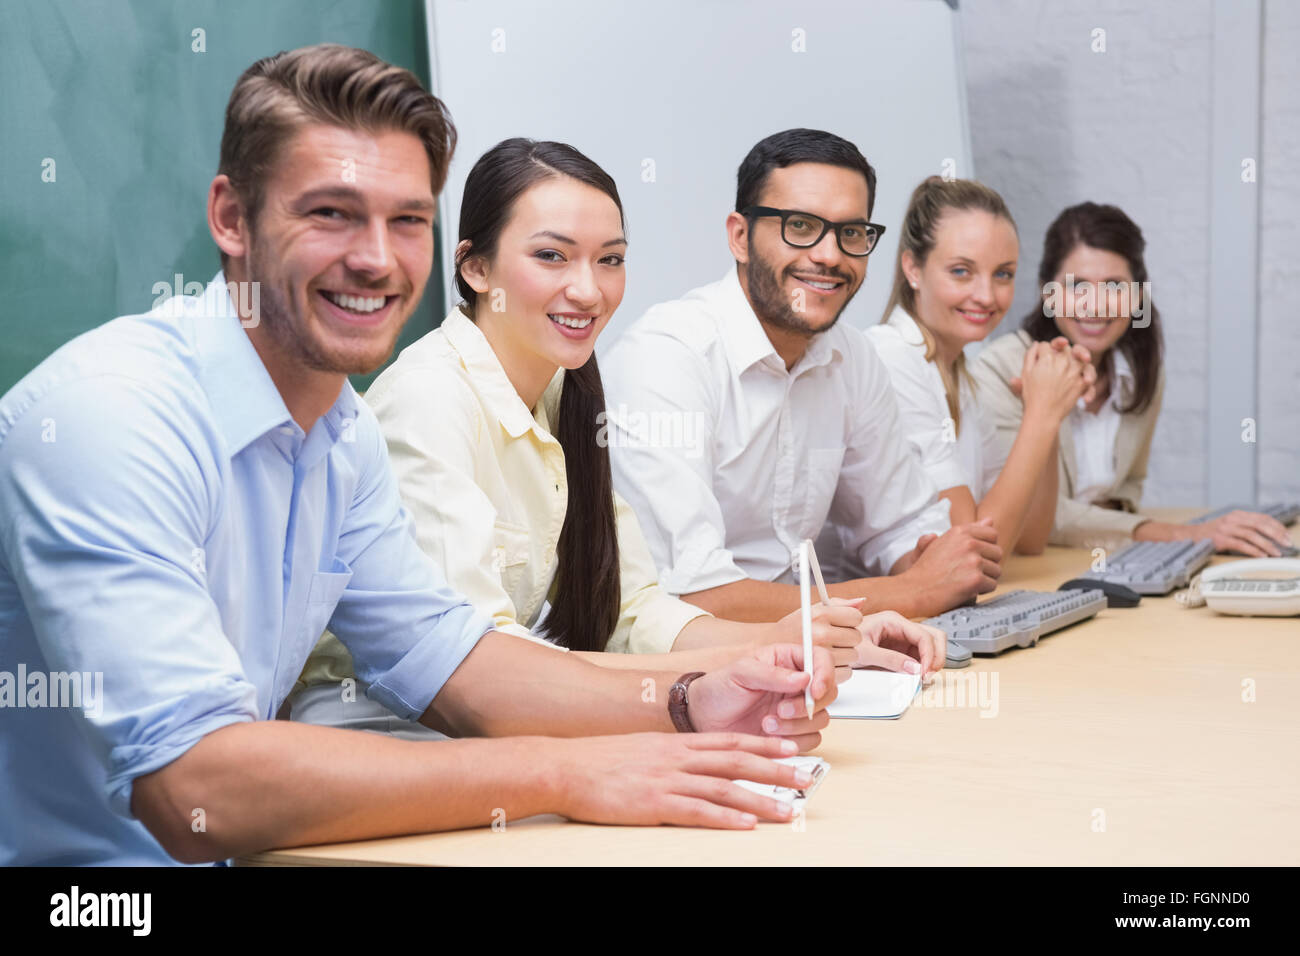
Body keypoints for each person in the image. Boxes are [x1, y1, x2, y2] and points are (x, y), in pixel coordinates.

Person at [0, 45, 846, 867]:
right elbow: (199, 792)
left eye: (406, 220)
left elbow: (456, 661)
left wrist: (689, 702)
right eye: (330, 212)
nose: (375, 258)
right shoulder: (112, 415)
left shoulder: (341, 430)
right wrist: (568, 772)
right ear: (231, 218)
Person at [293, 137, 929, 733]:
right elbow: (478, 670)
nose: (588, 289)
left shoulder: (566, 392)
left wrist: (797, 639)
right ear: (476, 268)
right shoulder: (431, 399)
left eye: (611, 260)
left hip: (506, 730)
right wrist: (706, 687)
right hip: (388, 738)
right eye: (552, 256)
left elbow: (634, 610)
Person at [602, 128, 1003, 631]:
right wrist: (911, 591)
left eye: (851, 233)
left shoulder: (852, 357)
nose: (830, 256)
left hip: (812, 655)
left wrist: (930, 559)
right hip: (685, 671)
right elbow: (693, 596)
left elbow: (897, 525)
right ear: (739, 237)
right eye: (800, 226)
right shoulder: (665, 356)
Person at [970, 201, 1292, 556]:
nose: (1095, 305)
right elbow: (1038, 516)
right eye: (1077, 286)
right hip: (1032, 566)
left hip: (1102, 554)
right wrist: (1181, 534)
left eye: (1114, 286)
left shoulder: (1141, 373)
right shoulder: (1002, 371)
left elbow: (1127, 490)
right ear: (1049, 294)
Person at [867, 177, 1096, 557]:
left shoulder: (962, 380)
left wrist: (1048, 412)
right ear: (913, 269)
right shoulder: (891, 359)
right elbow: (972, 552)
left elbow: (1030, 538)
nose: (987, 296)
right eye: (961, 271)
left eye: (1002, 274)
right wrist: (1041, 414)